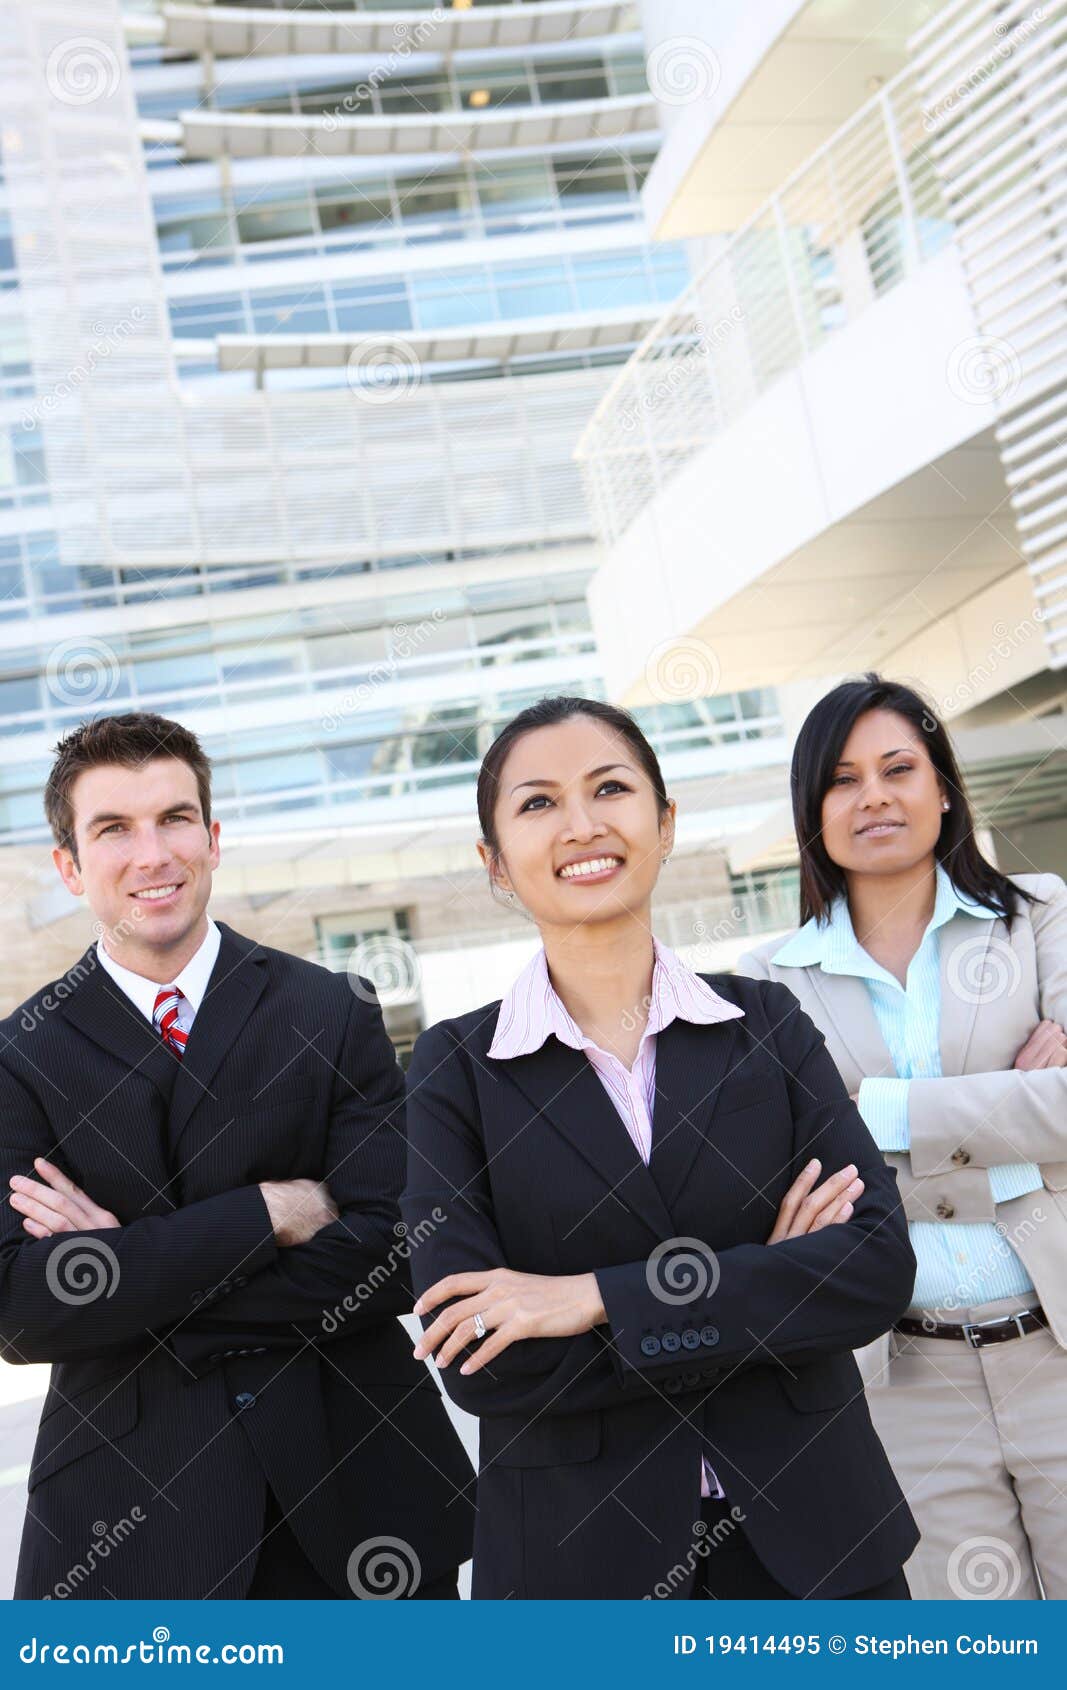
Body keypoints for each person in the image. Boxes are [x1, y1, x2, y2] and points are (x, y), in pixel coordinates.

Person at [401, 695, 918, 1600]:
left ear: (665, 821)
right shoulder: (455, 1070)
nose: (582, 825)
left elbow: (871, 1272)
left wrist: (591, 1297)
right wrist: (765, 1281)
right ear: (493, 863)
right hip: (582, 1565)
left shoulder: (763, 1024)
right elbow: (482, 1356)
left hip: (819, 1546)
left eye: (610, 788)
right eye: (537, 804)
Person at [0, 711, 473, 1600]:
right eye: (113, 829)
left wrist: (125, 1262)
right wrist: (267, 1213)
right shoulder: (20, 1056)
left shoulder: (331, 1010)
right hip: (130, 1515)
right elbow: (23, 1313)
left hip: (354, 1488)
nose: (153, 854)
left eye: (175, 818)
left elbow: (396, 1254)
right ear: (68, 867)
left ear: (213, 839)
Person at [737, 672, 1067, 1600]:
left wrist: (867, 1111)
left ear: (943, 788)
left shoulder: (1040, 915)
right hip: (902, 1378)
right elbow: (791, 1181)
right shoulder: (767, 981)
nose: (873, 796)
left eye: (897, 769)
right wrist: (1012, 1110)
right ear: (812, 811)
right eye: (842, 780)